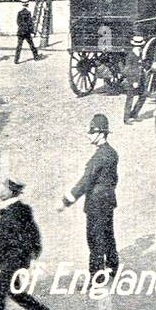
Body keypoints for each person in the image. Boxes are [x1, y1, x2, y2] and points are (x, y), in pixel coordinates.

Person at [0, 178, 52, 310]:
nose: (1, 191)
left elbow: (12, 235)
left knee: (0, 282)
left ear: (11, 191)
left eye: (3, 188)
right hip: (7, 255)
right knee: (12, 290)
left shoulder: (18, 210)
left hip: (15, 255)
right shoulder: (13, 209)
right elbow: (29, 230)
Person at [62, 114, 119, 280]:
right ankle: (112, 268)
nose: (89, 135)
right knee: (108, 234)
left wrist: (68, 199)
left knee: (94, 239)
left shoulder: (99, 157)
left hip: (96, 203)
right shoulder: (112, 153)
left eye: (92, 132)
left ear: (101, 134)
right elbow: (115, 179)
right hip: (108, 200)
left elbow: (86, 181)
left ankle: (97, 278)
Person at [121, 34, 148, 124]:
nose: (140, 47)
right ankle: (126, 118)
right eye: (139, 46)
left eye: (140, 46)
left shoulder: (139, 53)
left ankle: (134, 113)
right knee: (130, 98)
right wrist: (133, 81)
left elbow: (141, 65)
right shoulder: (131, 56)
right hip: (132, 80)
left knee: (143, 95)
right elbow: (128, 70)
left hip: (140, 78)